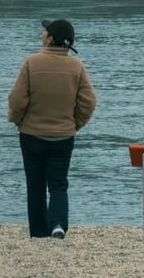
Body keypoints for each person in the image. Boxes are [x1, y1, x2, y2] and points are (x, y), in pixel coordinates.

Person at [6, 17, 97, 239]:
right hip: (63, 136)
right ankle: (57, 224)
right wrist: (75, 123)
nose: (42, 34)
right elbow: (89, 101)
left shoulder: (31, 62)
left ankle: (38, 232)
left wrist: (17, 120)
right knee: (58, 184)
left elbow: (17, 99)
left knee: (35, 185)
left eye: (44, 32)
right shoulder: (76, 66)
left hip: (31, 134)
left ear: (49, 38)